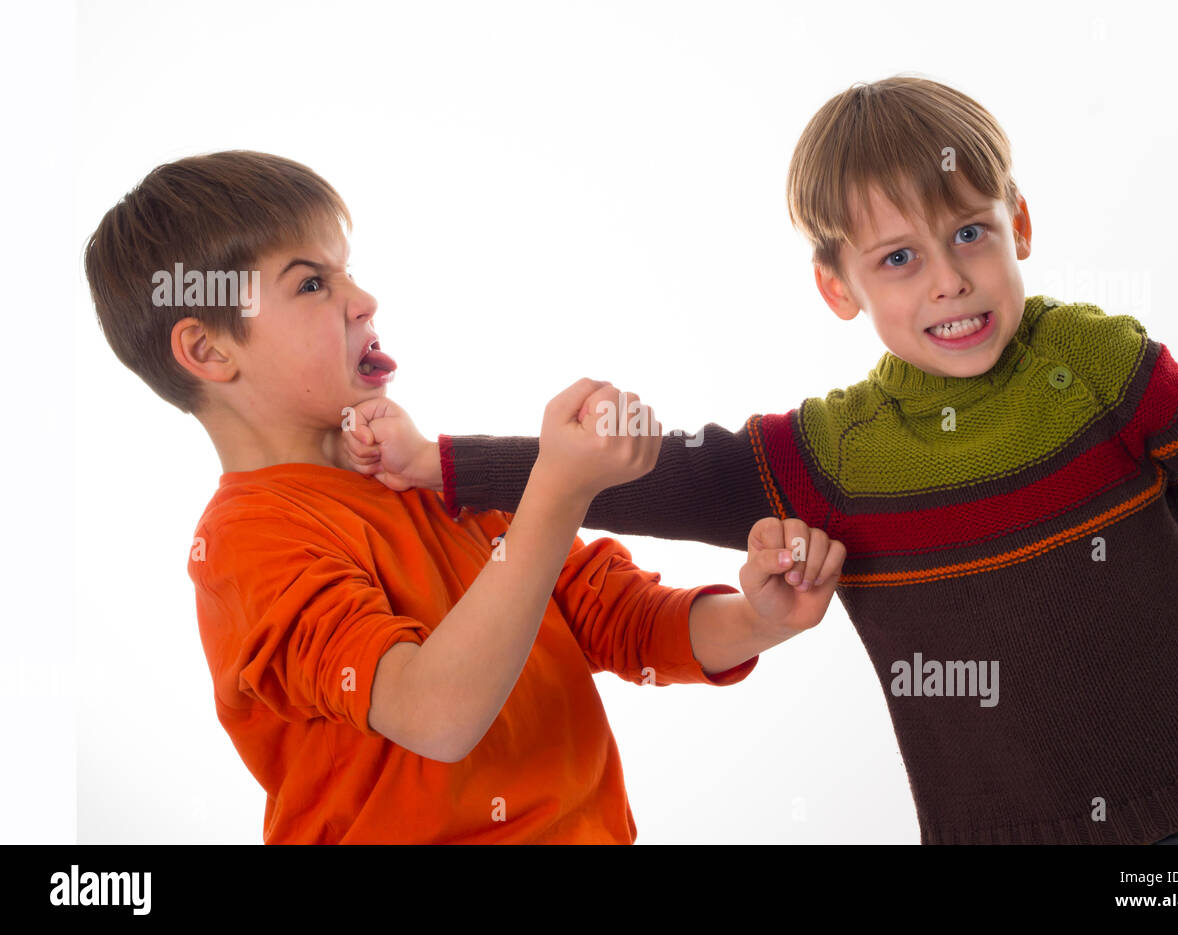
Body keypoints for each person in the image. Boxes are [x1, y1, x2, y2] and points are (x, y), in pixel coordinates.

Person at [419, 77, 1178, 844]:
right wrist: (442, 464)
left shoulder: (1092, 359)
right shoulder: (836, 452)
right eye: (900, 259)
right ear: (839, 287)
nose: (947, 280)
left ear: (1018, 223)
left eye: (968, 234)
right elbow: (648, 470)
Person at [82, 150, 846, 843]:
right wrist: (557, 485)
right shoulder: (251, 541)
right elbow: (433, 712)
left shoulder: (425, 479)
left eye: (348, 272)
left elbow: (620, 621)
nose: (363, 299)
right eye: (312, 283)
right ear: (208, 350)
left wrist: (757, 617)